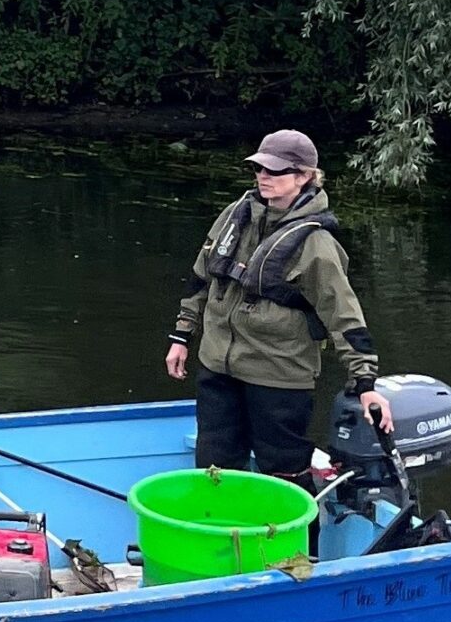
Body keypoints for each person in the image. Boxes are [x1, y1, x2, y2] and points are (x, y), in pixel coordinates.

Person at [166, 128, 393, 486]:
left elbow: (344, 316)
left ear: (304, 177)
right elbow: (202, 278)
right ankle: (222, 536)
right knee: (213, 469)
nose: (263, 177)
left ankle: (301, 543)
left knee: (284, 474)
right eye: (259, 169)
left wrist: (364, 381)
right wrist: (182, 335)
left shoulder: (317, 244)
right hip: (217, 367)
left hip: (278, 376)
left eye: (274, 171)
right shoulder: (234, 216)